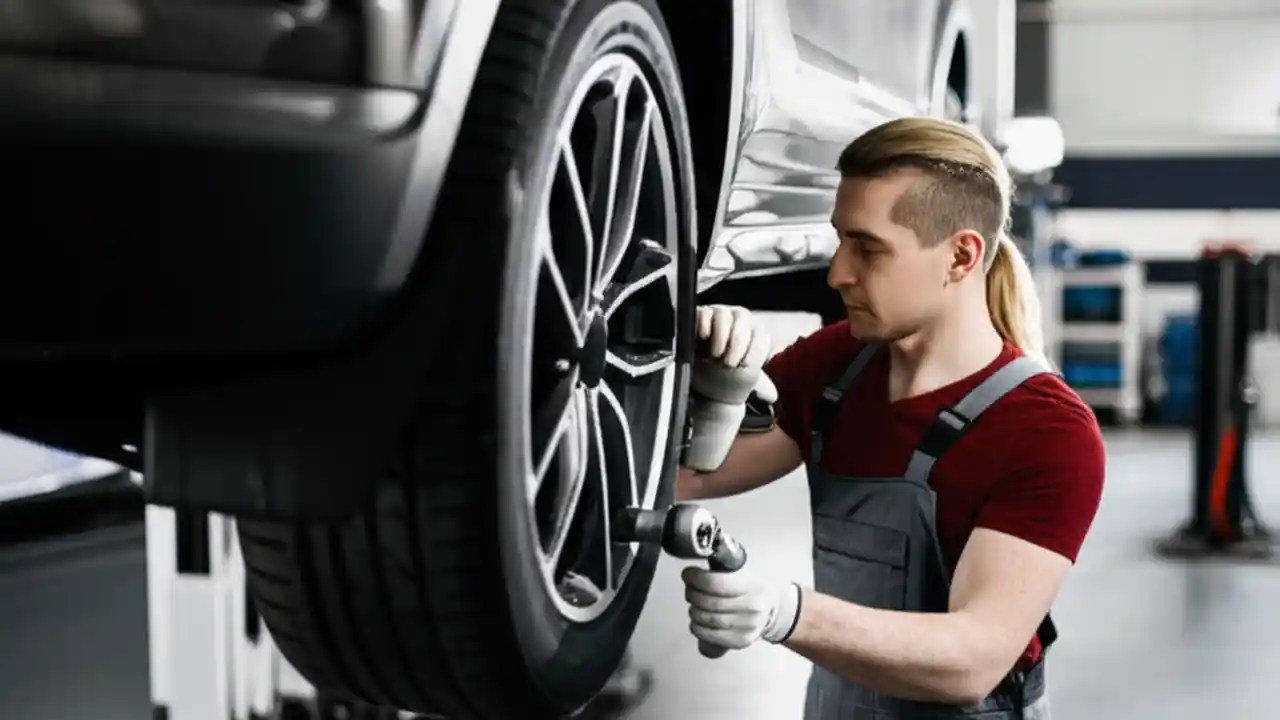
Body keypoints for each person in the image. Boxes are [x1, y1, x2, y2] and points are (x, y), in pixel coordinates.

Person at [675, 117, 1105, 719]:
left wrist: (786, 612)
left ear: (961, 255)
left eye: (868, 248)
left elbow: (975, 658)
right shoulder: (836, 365)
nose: (837, 274)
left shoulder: (1043, 429)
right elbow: (684, 481)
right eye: (840, 240)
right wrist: (716, 394)